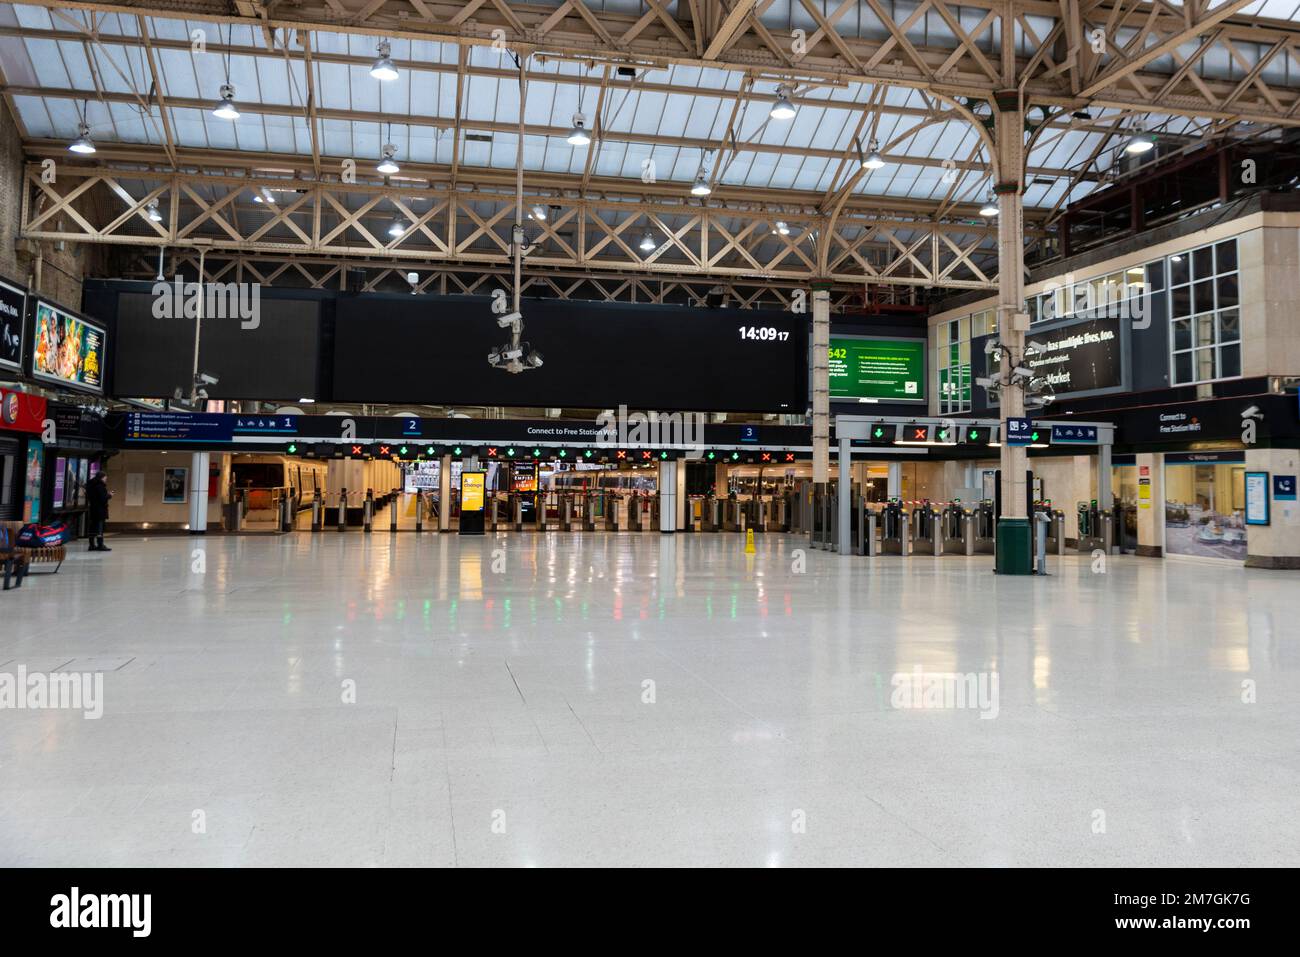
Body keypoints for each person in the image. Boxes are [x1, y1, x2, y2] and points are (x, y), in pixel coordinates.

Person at [86, 469, 112, 552]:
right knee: (99, 528)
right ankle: (100, 544)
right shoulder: (100, 486)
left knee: (93, 527)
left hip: (93, 509)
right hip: (100, 510)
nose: (105, 479)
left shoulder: (91, 485)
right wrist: (109, 495)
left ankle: (92, 544)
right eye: (105, 478)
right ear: (101, 478)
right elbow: (102, 498)